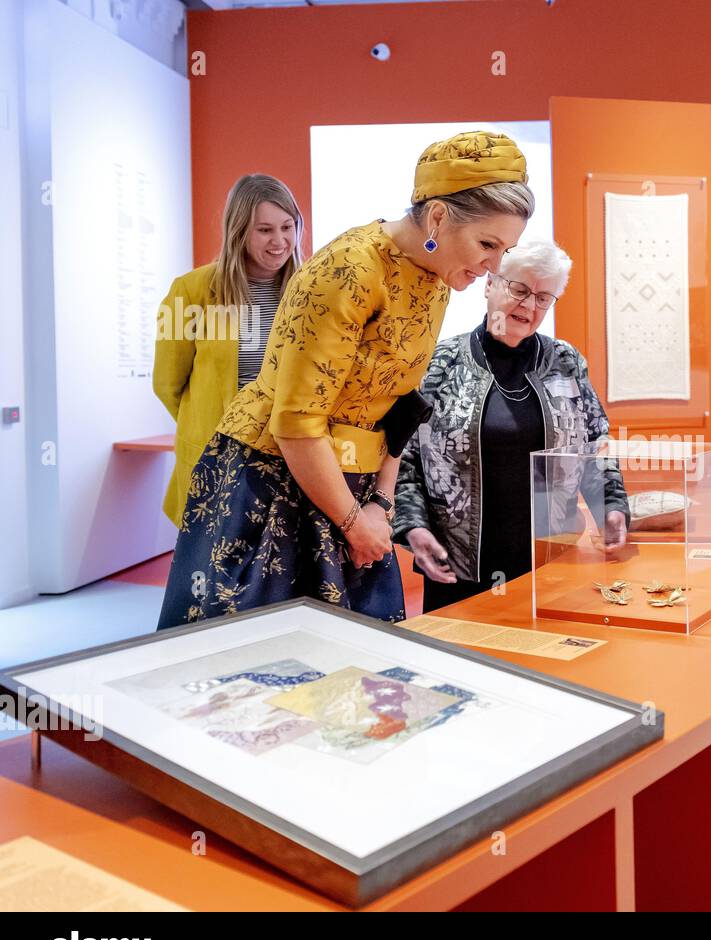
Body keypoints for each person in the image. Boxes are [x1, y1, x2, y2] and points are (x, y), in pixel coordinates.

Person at [156, 132, 533, 628]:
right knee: (263, 666)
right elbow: (296, 422)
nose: (494, 266)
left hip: (350, 491)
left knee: (359, 669)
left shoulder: (436, 276)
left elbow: (401, 405)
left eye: (505, 249)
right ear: (438, 216)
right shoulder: (350, 268)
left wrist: (379, 504)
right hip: (270, 482)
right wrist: (356, 523)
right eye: (488, 244)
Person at [393, 241, 628, 613]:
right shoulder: (441, 362)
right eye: (519, 290)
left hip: (551, 563)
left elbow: (595, 442)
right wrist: (413, 526)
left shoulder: (565, 362)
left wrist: (611, 505)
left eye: (543, 298)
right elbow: (404, 457)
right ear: (490, 285)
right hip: (459, 571)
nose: (529, 306)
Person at [153, 174, 303, 528]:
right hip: (219, 460)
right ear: (239, 231)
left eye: (287, 226)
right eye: (264, 230)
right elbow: (167, 383)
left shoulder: (309, 290)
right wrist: (213, 425)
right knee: (214, 576)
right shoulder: (190, 291)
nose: (280, 241)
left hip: (294, 460)